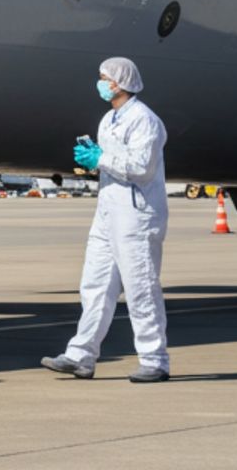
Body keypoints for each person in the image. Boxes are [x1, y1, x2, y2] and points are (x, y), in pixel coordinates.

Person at [43, 57, 171, 383]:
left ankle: (155, 359)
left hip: (136, 215)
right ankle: (81, 355)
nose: (100, 83)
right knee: (95, 286)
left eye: (103, 77)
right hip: (107, 212)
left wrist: (101, 158)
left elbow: (143, 167)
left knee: (141, 287)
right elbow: (114, 162)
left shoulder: (145, 121)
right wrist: (95, 159)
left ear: (119, 81)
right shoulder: (108, 119)